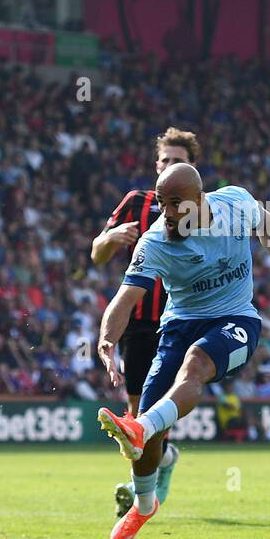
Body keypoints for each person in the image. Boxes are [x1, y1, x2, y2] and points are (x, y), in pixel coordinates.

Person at [95, 163, 270, 539]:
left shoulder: (235, 203)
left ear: (199, 200)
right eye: (162, 202)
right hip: (179, 327)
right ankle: (144, 505)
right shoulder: (155, 243)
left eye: (176, 203)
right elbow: (124, 300)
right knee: (151, 435)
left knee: (196, 364)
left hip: (237, 321)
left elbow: (269, 227)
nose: (167, 212)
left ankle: (140, 427)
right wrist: (107, 341)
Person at [90, 127, 200, 517]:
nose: (171, 166)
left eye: (179, 162)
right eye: (166, 160)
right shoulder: (135, 202)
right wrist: (112, 236)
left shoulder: (202, 212)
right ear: (157, 165)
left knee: (152, 416)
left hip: (181, 322)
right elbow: (96, 254)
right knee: (138, 420)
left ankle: (145, 493)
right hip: (138, 323)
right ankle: (165, 460)